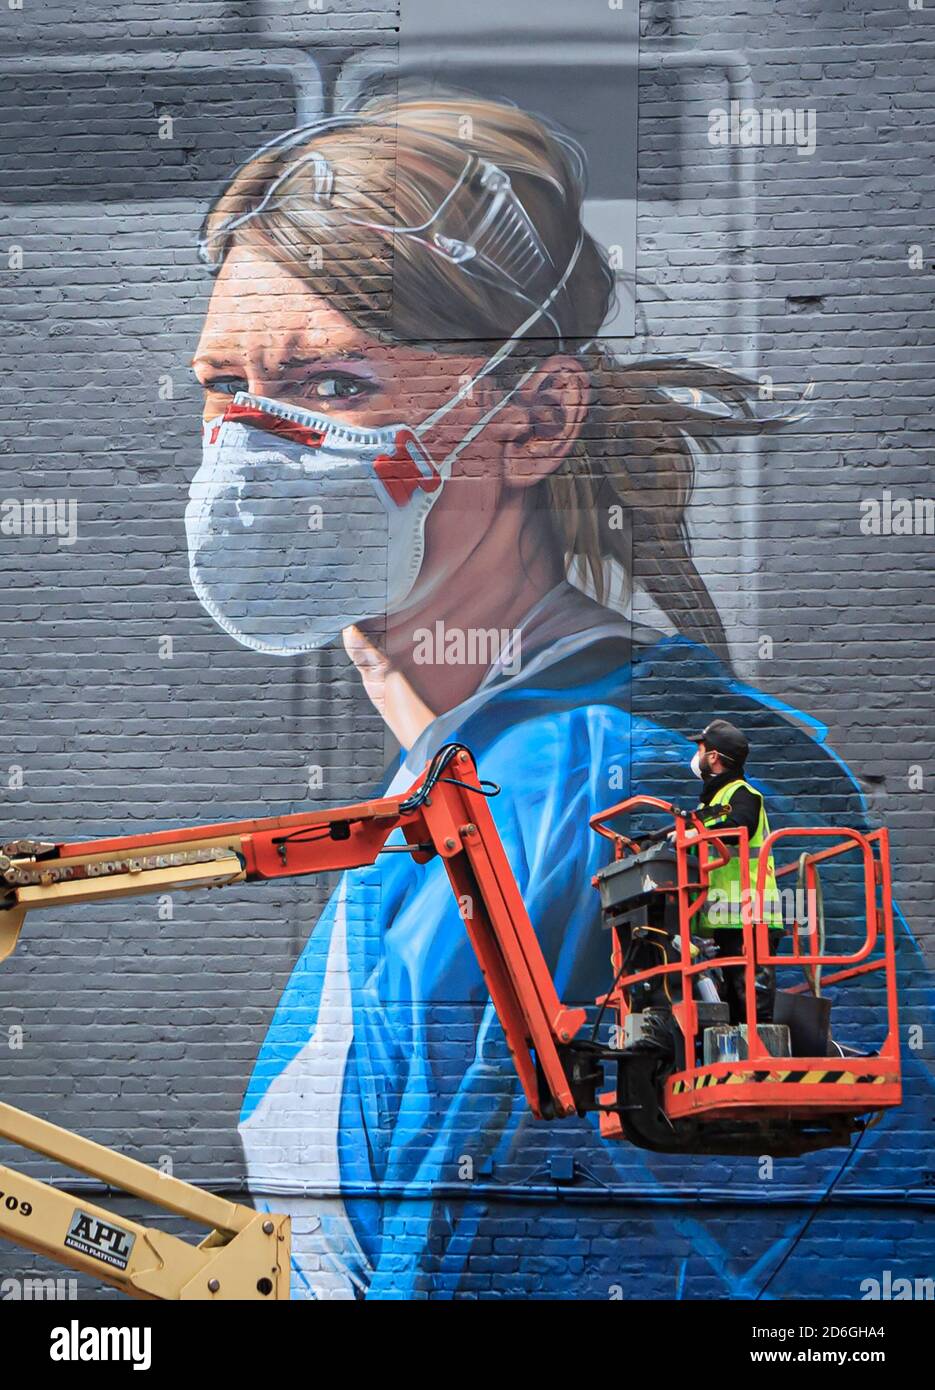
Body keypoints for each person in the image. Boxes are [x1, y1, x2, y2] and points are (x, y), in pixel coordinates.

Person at [185, 88, 931, 1299]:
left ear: (531, 420)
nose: (249, 448)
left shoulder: (604, 781)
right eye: (225, 384)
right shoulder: (464, 770)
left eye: (330, 387)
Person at [689, 719, 784, 1024]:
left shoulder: (743, 794)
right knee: (733, 998)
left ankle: (763, 1055)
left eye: (701, 748)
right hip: (729, 916)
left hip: (751, 914)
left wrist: (696, 833)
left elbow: (741, 825)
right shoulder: (716, 799)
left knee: (751, 999)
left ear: (714, 756)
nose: (698, 755)